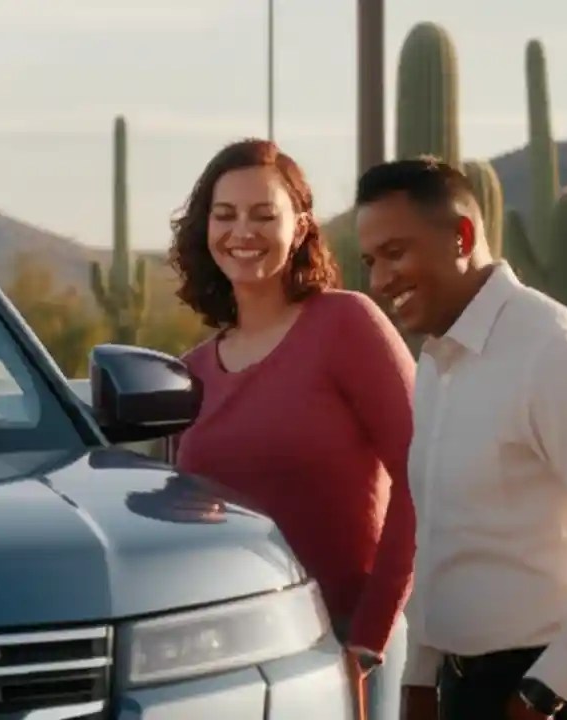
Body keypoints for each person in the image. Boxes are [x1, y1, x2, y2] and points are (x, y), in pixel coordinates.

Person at [353, 156, 567, 720]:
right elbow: (441, 537)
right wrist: (421, 676)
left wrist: (546, 691)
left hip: (549, 695)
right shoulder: (435, 363)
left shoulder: (556, 352)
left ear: (461, 237)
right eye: (370, 261)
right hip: (461, 687)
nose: (380, 280)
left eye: (395, 253)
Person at [168, 138, 417, 720]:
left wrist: (369, 636)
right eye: (225, 215)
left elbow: (422, 475)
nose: (242, 232)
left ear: (300, 226)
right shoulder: (189, 373)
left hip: (344, 641)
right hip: (227, 657)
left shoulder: (346, 324)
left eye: (263, 215)